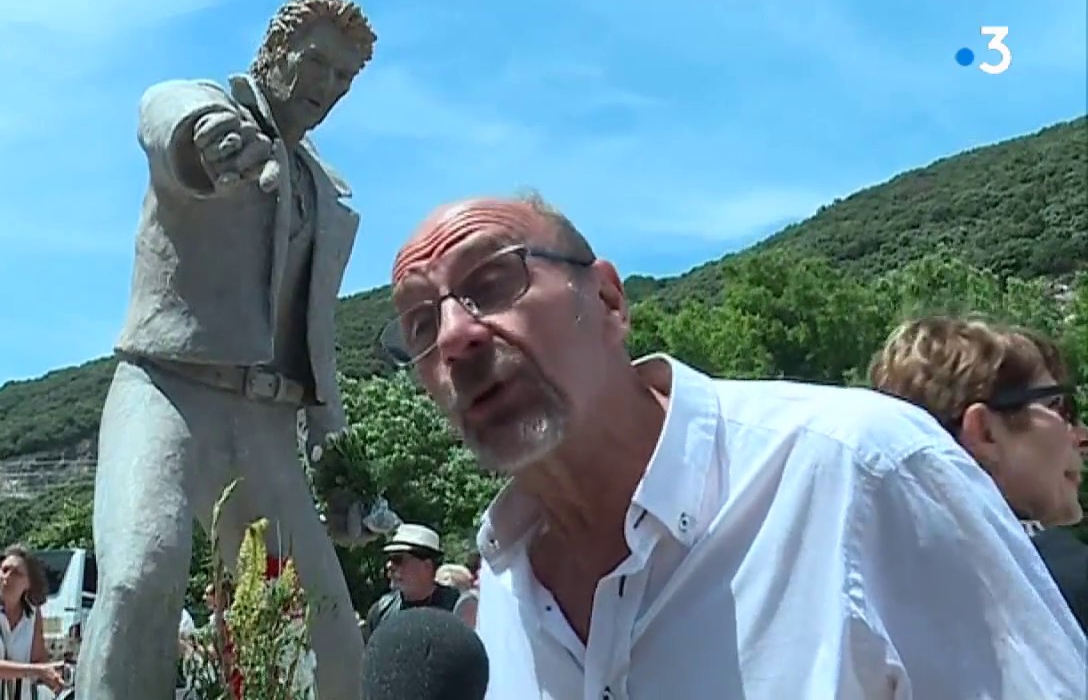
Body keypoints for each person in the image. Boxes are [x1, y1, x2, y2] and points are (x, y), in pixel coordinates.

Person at [381, 192, 1086, 699]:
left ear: (608, 301)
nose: (453, 337)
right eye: (419, 327)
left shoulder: (862, 470)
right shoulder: (504, 590)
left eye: (492, 282)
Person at [76, 0, 377, 700]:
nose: (327, 86)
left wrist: (335, 455)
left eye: (343, 76)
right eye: (316, 63)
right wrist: (203, 134)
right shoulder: (212, 110)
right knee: (140, 572)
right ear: (274, 53)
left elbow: (314, 335)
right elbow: (163, 109)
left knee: (330, 629)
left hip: (270, 418)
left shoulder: (325, 192)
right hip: (167, 390)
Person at [869, 316, 1088, 630]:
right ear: (984, 432)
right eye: (1060, 408)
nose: (1081, 435)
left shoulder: (865, 589)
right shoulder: (1065, 583)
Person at [0, 547, 64, 700]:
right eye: (4, 570)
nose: (7, 577)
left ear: (29, 582)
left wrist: (55, 676)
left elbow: (38, 659)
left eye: (16, 573)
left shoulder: (33, 613)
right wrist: (34, 671)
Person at [362, 525, 470, 640]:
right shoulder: (380, 611)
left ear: (427, 566)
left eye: (398, 559)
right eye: (389, 559)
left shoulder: (457, 606)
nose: (389, 566)